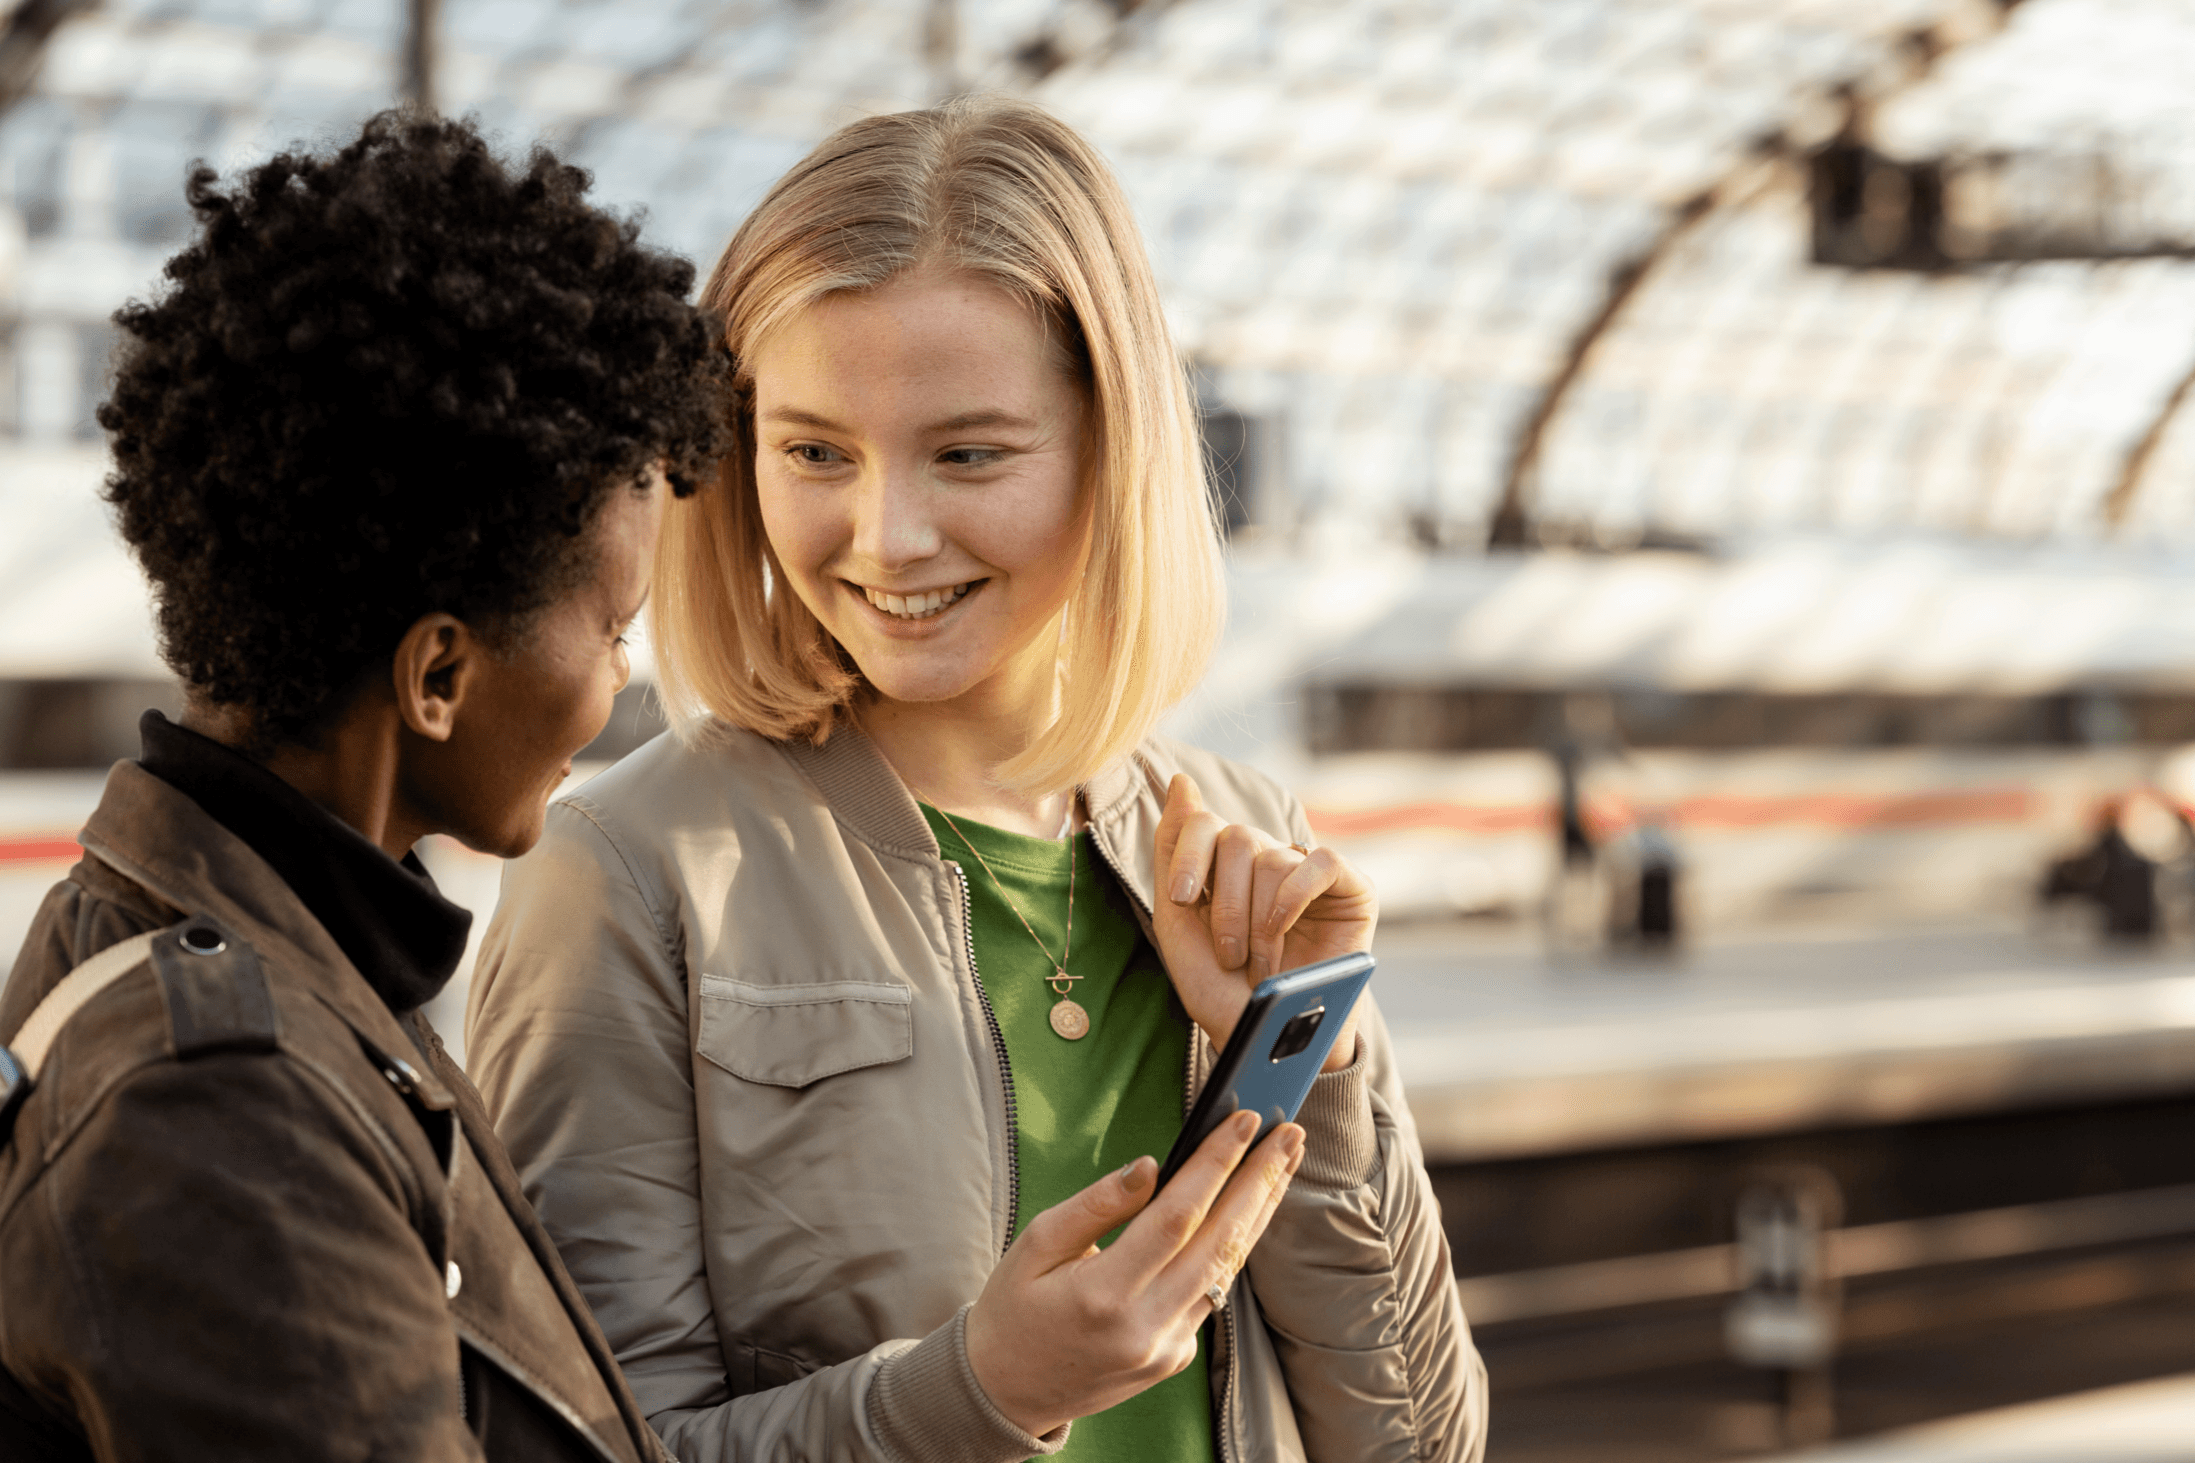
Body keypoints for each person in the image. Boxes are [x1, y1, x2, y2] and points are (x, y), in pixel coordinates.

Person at [468, 96, 1487, 1463]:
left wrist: (1315, 1066)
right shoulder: (627, 871)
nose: (887, 535)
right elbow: (571, 1448)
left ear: (1111, 449)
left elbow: (1421, 1440)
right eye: (814, 449)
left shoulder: (1251, 840)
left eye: (968, 453)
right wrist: (976, 1391)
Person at [0, 112, 730, 1460]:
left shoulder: (276, 967)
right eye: (614, 626)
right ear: (438, 674)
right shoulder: (223, 1106)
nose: (620, 679)